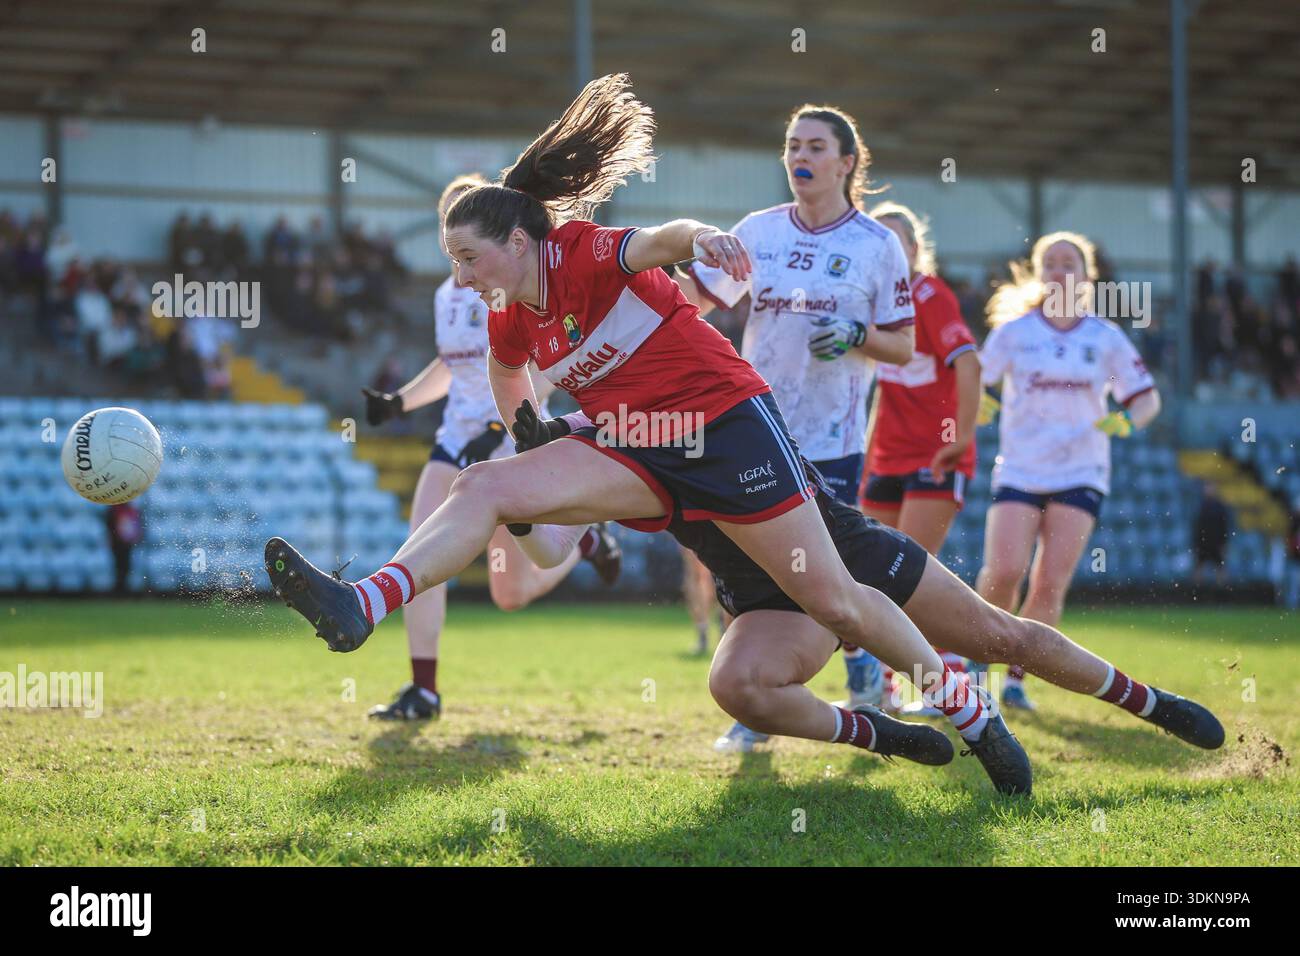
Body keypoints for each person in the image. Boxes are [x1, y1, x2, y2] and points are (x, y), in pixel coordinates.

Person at [265, 73, 1015, 781]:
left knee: (839, 603)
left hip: (728, 427)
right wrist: (526, 429)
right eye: (451, 262)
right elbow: (504, 373)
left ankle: (970, 713)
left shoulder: (582, 250)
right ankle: (361, 603)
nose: (459, 277)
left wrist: (702, 240)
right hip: (637, 446)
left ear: (517, 243)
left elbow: (660, 239)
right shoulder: (505, 309)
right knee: (483, 483)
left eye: (467, 257)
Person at [507, 417, 1223, 795]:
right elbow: (548, 546)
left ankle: (1151, 703)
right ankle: (880, 734)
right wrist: (520, 504)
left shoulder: (702, 393)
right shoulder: (598, 433)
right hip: (765, 594)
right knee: (736, 686)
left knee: (1000, 636)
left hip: (840, 544)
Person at [677, 103, 916, 750]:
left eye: (814, 146)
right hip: (752, 431)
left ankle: (864, 669)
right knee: (745, 570)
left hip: (832, 442)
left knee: (830, 577)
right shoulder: (758, 231)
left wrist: (858, 334)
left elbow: (904, 345)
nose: (799, 157)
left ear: (845, 162)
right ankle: (757, 708)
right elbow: (693, 303)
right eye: (791, 146)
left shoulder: (876, 245)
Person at [358, 174, 621, 721]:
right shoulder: (445, 294)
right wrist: (399, 403)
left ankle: (583, 542)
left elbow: (542, 365)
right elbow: (450, 365)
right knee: (418, 554)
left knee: (510, 593)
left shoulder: (514, 284)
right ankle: (423, 691)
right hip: (455, 441)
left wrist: (502, 428)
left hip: (516, 436)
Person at [975, 232, 1161, 710]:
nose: (1060, 270)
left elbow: (1145, 398)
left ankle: (1016, 681)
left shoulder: (1104, 338)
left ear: (1087, 275)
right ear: (1039, 273)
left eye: (1069, 262)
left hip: (1082, 471)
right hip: (1019, 468)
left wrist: (1125, 420)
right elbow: (975, 379)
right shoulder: (1015, 333)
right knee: (1003, 572)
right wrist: (979, 406)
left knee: (1049, 582)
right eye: (1050, 262)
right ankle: (976, 668)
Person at [860, 201, 981, 714]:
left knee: (909, 573)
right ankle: (886, 687)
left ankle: (952, 685)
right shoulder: (873, 301)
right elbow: (881, 389)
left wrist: (962, 438)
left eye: (896, 240)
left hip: (934, 457)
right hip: (885, 459)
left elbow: (970, 364)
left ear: (913, 248)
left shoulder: (928, 293)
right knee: (872, 577)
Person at [1192, 481, 1232, 587]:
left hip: (1216, 543)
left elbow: (1224, 527)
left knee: (1220, 568)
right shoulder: (1200, 506)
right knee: (1198, 568)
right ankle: (1197, 594)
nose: (1209, 490)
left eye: (1211, 487)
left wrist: (1224, 543)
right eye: (1207, 487)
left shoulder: (1220, 507)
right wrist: (1196, 543)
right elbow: (1197, 527)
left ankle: (1223, 594)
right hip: (1203, 543)